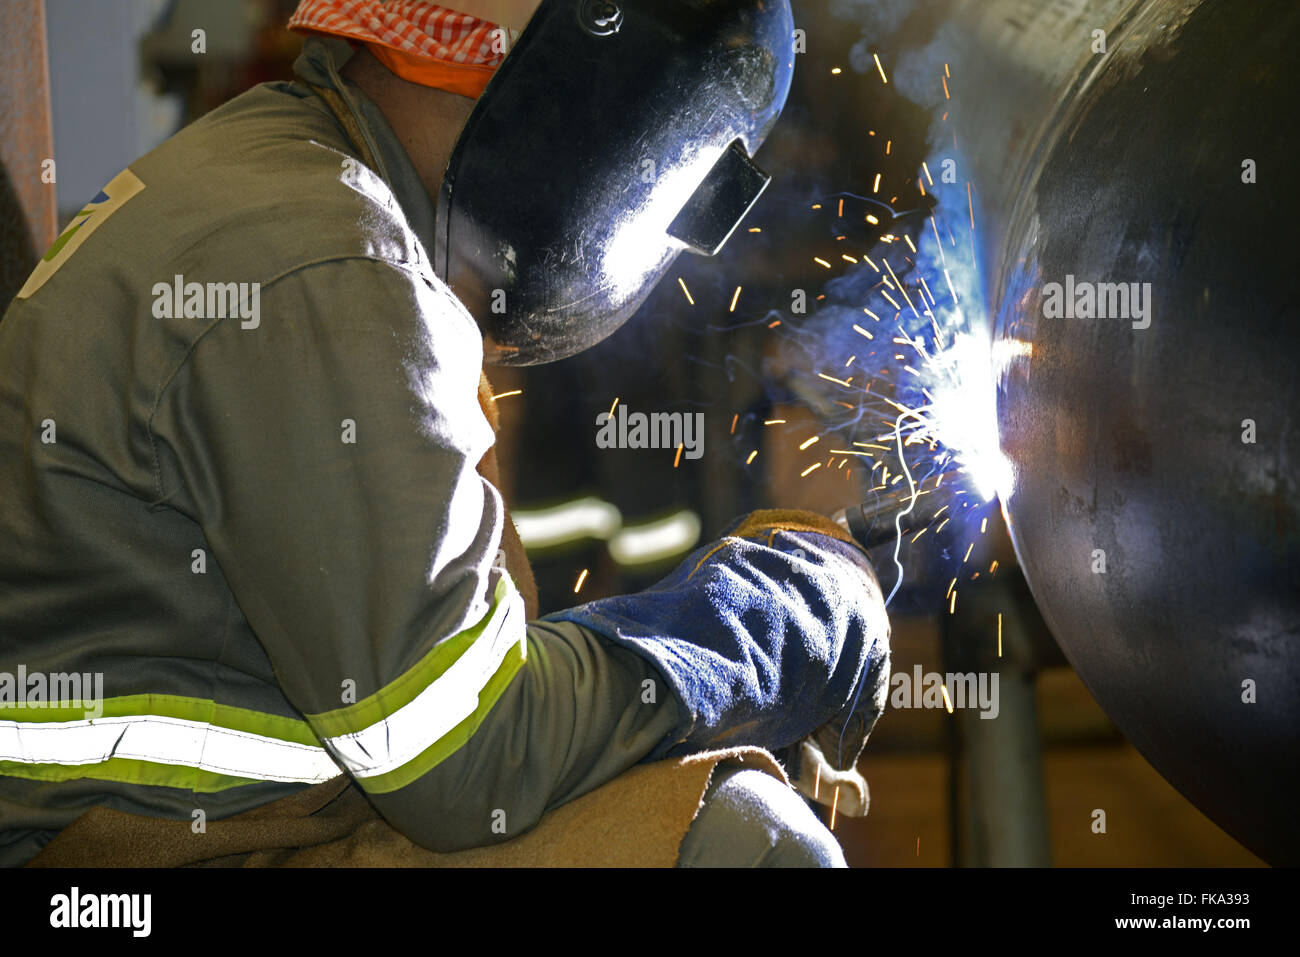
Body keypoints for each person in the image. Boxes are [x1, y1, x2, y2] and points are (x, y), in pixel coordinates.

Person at [0, 0, 890, 868]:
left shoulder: (299, 191)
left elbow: (454, 686)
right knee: (745, 838)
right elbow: (470, 755)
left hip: (225, 823)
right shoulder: (325, 258)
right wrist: (789, 619)